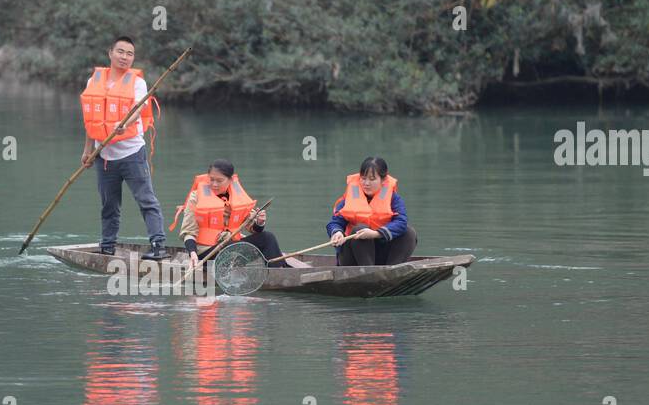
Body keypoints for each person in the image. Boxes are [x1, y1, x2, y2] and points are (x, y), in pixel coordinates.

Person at [80, 35, 167, 261]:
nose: (125, 57)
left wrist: (124, 124)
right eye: (120, 52)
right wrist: (87, 150)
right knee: (109, 204)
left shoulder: (138, 82)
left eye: (130, 54)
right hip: (103, 157)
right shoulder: (94, 81)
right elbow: (91, 120)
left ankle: (158, 246)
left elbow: (138, 108)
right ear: (110, 53)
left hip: (132, 154)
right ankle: (107, 246)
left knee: (146, 200)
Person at [173, 160, 309, 270]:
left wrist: (259, 222)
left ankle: (276, 272)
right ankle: (277, 272)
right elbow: (188, 232)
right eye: (211, 180)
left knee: (267, 237)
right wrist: (192, 253)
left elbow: (252, 229)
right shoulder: (196, 197)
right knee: (233, 247)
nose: (214, 184)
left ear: (230, 180)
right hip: (207, 254)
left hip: (233, 248)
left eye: (219, 181)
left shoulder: (237, 196)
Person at [327, 157, 418, 266]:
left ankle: (390, 271)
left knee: (409, 233)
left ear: (383, 180)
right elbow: (335, 222)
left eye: (372, 179)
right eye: (363, 178)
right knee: (359, 230)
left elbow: (401, 222)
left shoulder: (394, 199)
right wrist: (337, 232)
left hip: (380, 254)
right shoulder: (350, 197)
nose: (366, 183)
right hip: (352, 259)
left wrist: (376, 234)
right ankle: (370, 272)